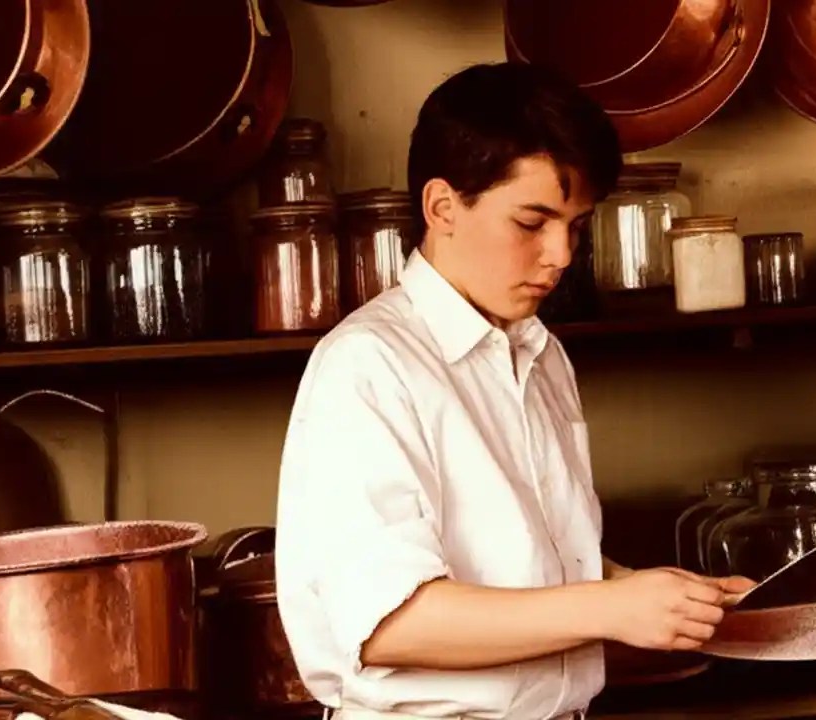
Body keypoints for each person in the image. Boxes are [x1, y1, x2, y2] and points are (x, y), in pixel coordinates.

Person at [274, 61, 753, 720]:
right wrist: (611, 608)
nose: (561, 255)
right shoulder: (367, 365)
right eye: (532, 222)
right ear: (442, 207)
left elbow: (534, 561)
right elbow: (388, 625)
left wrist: (665, 597)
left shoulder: (539, 352)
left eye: (575, 226)